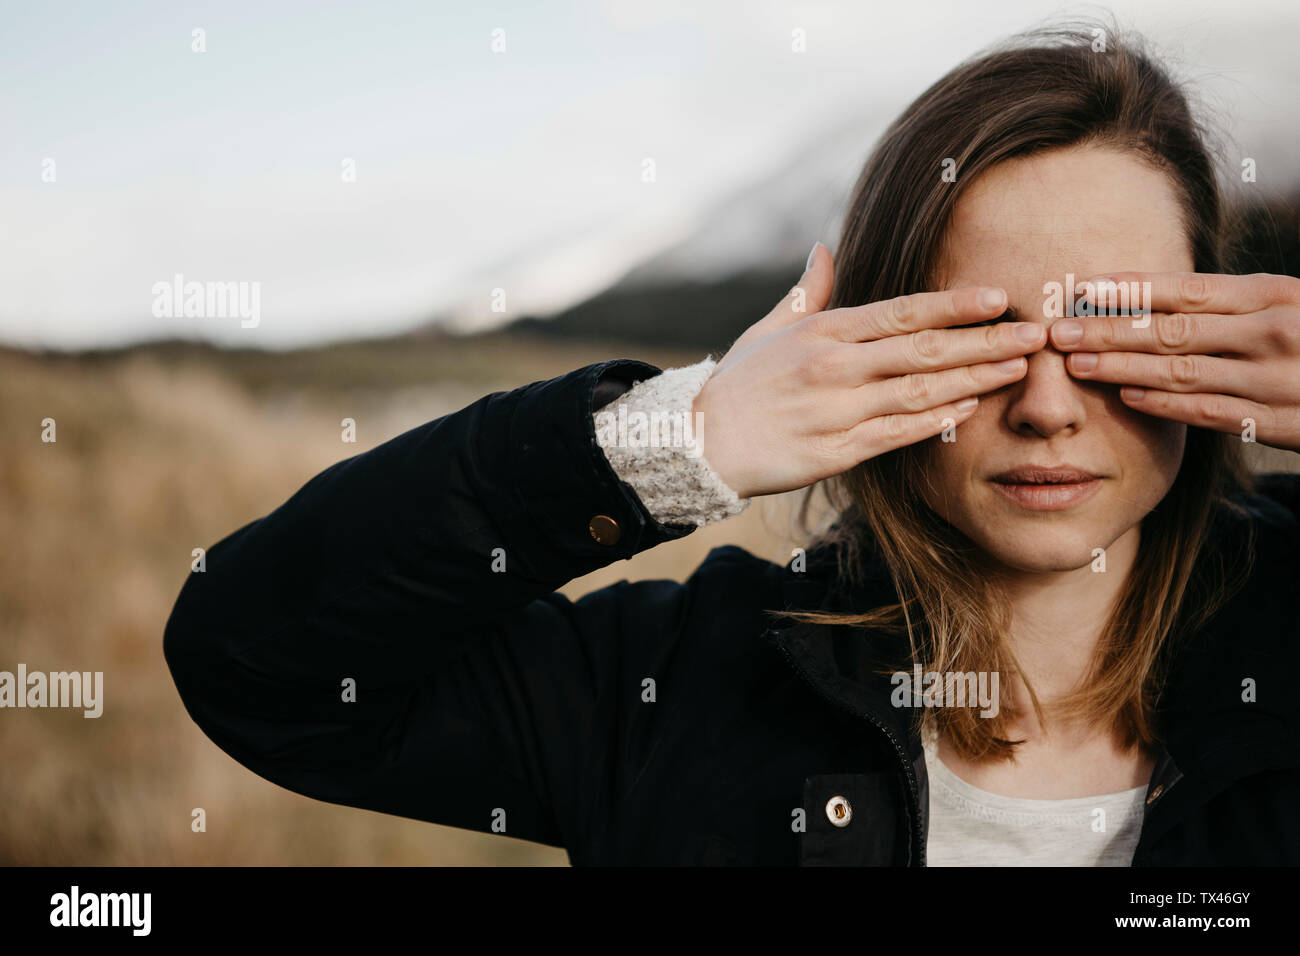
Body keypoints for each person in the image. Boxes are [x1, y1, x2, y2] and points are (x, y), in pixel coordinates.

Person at [163, 22, 1300, 865]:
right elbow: (256, 660)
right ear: (862, 336)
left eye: (1117, 326)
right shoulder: (676, 687)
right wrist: (666, 438)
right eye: (980, 331)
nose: (1048, 405)